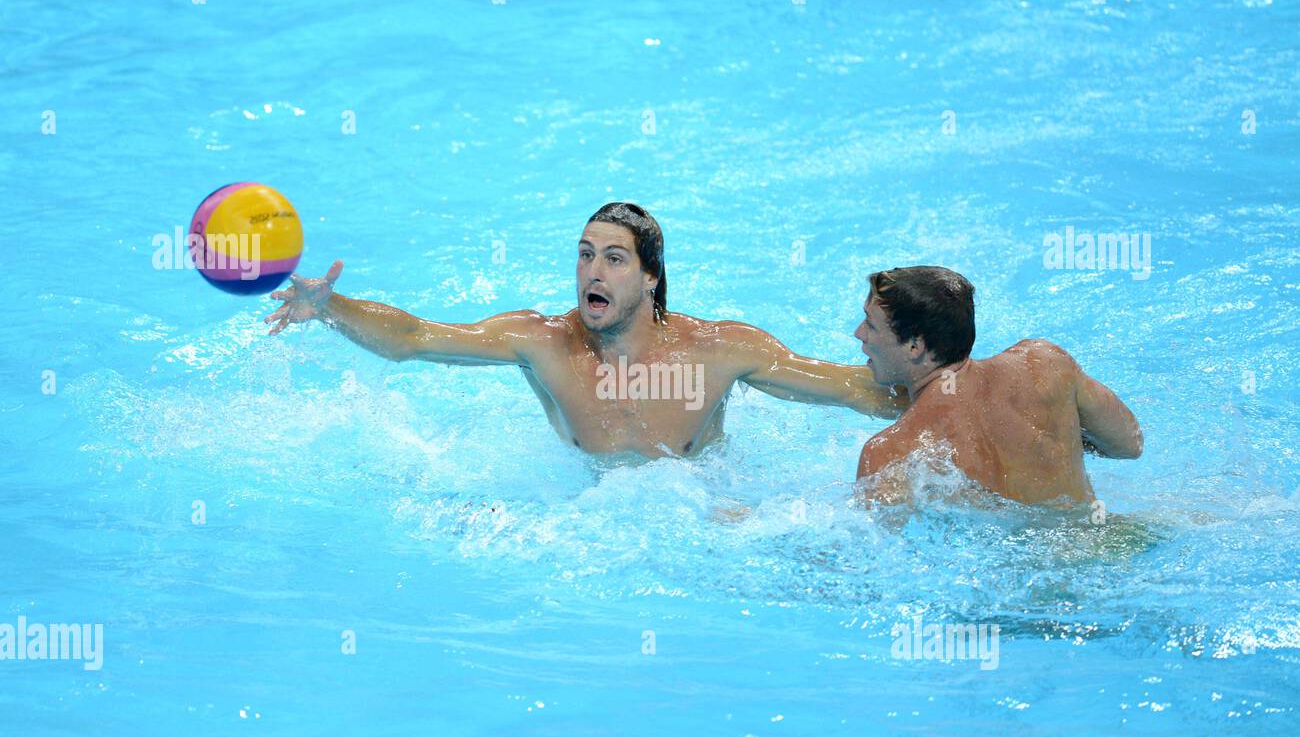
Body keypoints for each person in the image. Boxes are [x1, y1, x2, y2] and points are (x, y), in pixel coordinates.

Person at [264, 202, 904, 457]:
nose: (592, 271)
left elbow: (854, 390)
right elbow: (414, 338)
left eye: (614, 258)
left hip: (704, 507)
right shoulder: (542, 342)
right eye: (584, 253)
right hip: (586, 510)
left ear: (651, 277)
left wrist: (961, 391)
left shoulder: (717, 350)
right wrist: (330, 307)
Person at [852, 265, 1142, 504]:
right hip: (1106, 544)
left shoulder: (890, 452)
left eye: (871, 325)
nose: (859, 333)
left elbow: (882, 552)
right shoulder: (1044, 364)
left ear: (915, 346)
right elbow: (1129, 444)